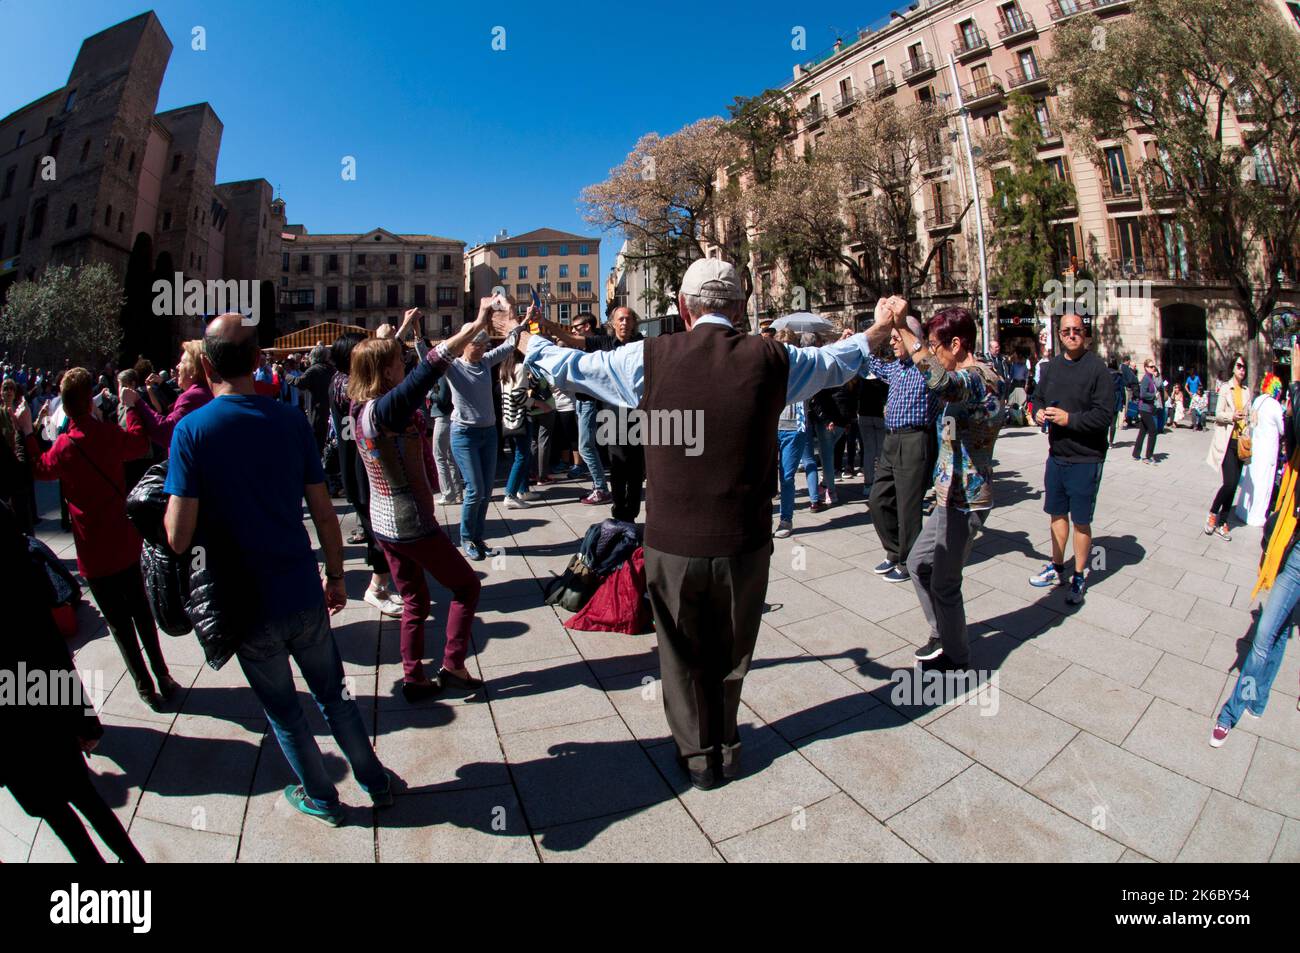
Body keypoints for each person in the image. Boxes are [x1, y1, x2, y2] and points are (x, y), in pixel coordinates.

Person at [523, 259, 879, 790]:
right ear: (739, 309)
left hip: (673, 545)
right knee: (733, 653)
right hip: (745, 542)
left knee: (680, 653)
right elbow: (837, 361)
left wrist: (524, 337)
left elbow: (569, 367)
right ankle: (727, 744)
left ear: (684, 309)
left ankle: (696, 756)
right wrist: (880, 326)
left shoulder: (646, 358)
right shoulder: (774, 359)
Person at [163, 313, 394, 826]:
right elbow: (324, 509)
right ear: (256, 360)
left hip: (243, 600)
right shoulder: (288, 420)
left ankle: (324, 799)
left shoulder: (190, 432)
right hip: (299, 587)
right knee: (334, 694)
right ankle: (375, 780)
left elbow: (177, 537)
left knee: (284, 711)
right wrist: (337, 575)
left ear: (205, 365)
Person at [348, 307, 490, 701]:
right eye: (396, 362)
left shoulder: (358, 408)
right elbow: (427, 370)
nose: (402, 365)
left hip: (384, 521)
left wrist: (403, 331)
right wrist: (473, 329)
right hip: (410, 522)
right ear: (385, 372)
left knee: (415, 599)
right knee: (465, 587)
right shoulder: (386, 409)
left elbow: (393, 362)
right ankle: (454, 665)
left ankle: (413, 677)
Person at [18, 369, 179, 710]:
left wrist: (27, 431)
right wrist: (132, 407)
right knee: (141, 613)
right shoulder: (106, 434)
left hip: (93, 553)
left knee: (120, 625)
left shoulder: (63, 447)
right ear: (88, 402)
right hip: (123, 542)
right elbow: (138, 442)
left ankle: (145, 687)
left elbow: (38, 468)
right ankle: (162, 675)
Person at [0, 500, 146, 863]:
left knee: (63, 818)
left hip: (13, 730)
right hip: (36, 700)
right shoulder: (19, 572)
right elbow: (51, 655)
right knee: (86, 800)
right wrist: (83, 718)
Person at [877, 302, 1004, 672]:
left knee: (946, 583)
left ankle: (957, 657)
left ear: (957, 343)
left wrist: (905, 330)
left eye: (936, 345)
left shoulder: (979, 378)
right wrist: (897, 328)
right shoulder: (963, 378)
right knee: (917, 563)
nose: (932, 352)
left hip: (968, 500)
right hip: (949, 496)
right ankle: (941, 632)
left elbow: (942, 383)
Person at [1027, 312, 1114, 605]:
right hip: (1057, 456)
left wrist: (1069, 420)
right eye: (1066, 331)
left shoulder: (1097, 369)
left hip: (1086, 458)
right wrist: (1036, 411)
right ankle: (1057, 565)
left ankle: (1079, 575)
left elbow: (1104, 416)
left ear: (1085, 334)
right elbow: (1037, 397)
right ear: (1059, 335)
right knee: (1056, 514)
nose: (1072, 334)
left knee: (1081, 521)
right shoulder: (1050, 368)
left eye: (1077, 330)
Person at [1212, 458, 1300, 747]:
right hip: (1295, 551)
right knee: (1266, 634)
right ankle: (1232, 711)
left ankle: (1258, 699)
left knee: (1280, 629)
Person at [328, 332, 403, 618]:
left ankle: (380, 585)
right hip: (361, 467)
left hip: (354, 465)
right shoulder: (349, 386)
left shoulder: (338, 381)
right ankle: (377, 587)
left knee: (375, 526)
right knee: (378, 528)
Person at [442, 312, 524, 560]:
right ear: (463, 343)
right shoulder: (452, 367)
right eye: (475, 344)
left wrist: (520, 323)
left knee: (486, 491)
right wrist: (412, 332)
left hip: (489, 434)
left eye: (483, 345)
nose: (480, 349)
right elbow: (427, 356)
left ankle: (478, 537)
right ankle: (466, 538)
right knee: (475, 490)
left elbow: (511, 343)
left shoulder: (486, 362)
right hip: (464, 435)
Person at [865, 316, 940, 583]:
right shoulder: (897, 367)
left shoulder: (927, 366)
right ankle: (895, 550)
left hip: (915, 440)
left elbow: (934, 368)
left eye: (897, 338)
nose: (893, 343)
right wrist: (858, 340)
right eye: (893, 338)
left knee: (909, 506)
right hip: (891, 440)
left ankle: (911, 560)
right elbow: (871, 363)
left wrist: (909, 335)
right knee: (878, 499)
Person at [132, 340, 213, 452]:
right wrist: (162, 385)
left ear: (194, 370)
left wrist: (137, 401)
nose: (177, 366)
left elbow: (165, 432)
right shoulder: (208, 392)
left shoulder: (192, 397)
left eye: (182, 362)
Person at [1205, 354, 1251, 542]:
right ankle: (1213, 513)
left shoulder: (1247, 391)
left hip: (1240, 443)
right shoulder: (1226, 388)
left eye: (1244, 367)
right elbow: (1217, 414)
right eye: (1239, 366)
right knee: (1230, 483)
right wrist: (1232, 416)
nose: (1242, 369)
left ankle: (1223, 523)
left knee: (1233, 488)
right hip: (1226, 442)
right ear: (1233, 368)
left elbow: (1247, 417)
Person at [567, 312, 610, 503]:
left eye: (576, 328)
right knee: (588, 446)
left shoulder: (598, 344)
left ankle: (601, 488)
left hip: (589, 402)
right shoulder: (586, 347)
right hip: (582, 401)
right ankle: (598, 486)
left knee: (586, 447)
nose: (574, 332)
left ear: (587, 327)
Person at [1237, 372, 1285, 527]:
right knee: (1264, 484)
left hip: (1255, 449)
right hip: (1268, 451)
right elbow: (1283, 429)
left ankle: (1242, 511)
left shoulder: (1258, 400)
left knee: (1251, 482)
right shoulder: (1275, 405)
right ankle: (1256, 516)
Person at [1132, 357, 1161, 463]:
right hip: (1144, 408)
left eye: (1154, 366)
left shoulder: (1151, 378)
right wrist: (1154, 396)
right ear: (1146, 368)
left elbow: (1158, 385)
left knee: (1143, 431)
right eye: (1151, 366)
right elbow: (1142, 394)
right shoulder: (1146, 378)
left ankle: (1136, 454)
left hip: (1148, 408)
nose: (1153, 368)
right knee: (1153, 431)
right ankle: (1148, 456)